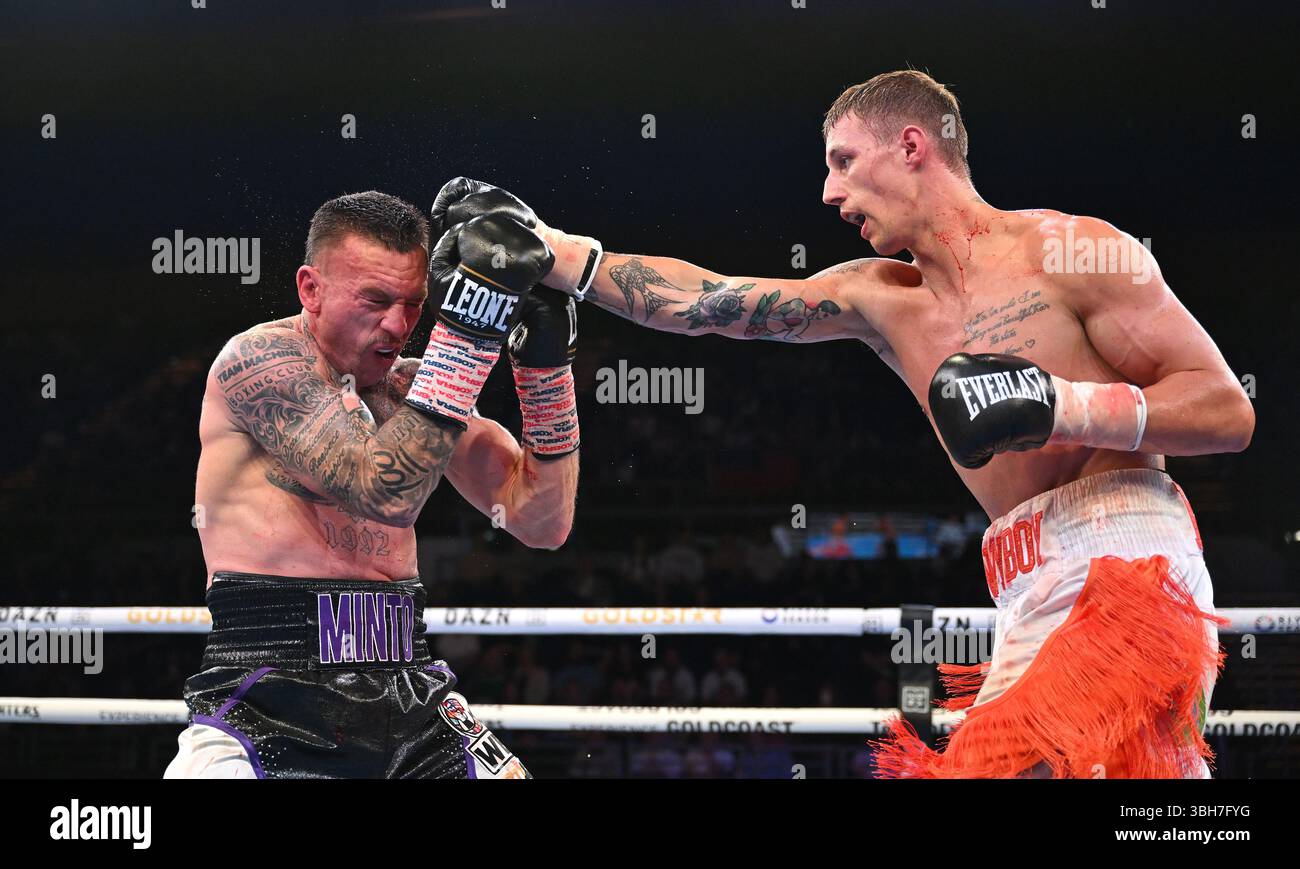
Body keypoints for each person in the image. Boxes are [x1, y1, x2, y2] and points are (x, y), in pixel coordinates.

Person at [434, 68, 1254, 778]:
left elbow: (1225, 407)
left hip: (1125, 567)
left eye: (842, 161)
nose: (829, 192)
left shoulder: (1073, 250)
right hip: (1026, 588)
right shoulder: (878, 297)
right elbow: (711, 305)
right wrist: (550, 249)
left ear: (911, 145)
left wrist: (1060, 405)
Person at [164, 190, 580, 778]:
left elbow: (543, 522)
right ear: (311, 289)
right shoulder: (259, 363)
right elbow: (381, 491)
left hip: (410, 684)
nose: (398, 324)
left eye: (415, 304)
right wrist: (470, 335)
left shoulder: (416, 391)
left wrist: (545, 369)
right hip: (273, 691)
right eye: (376, 300)